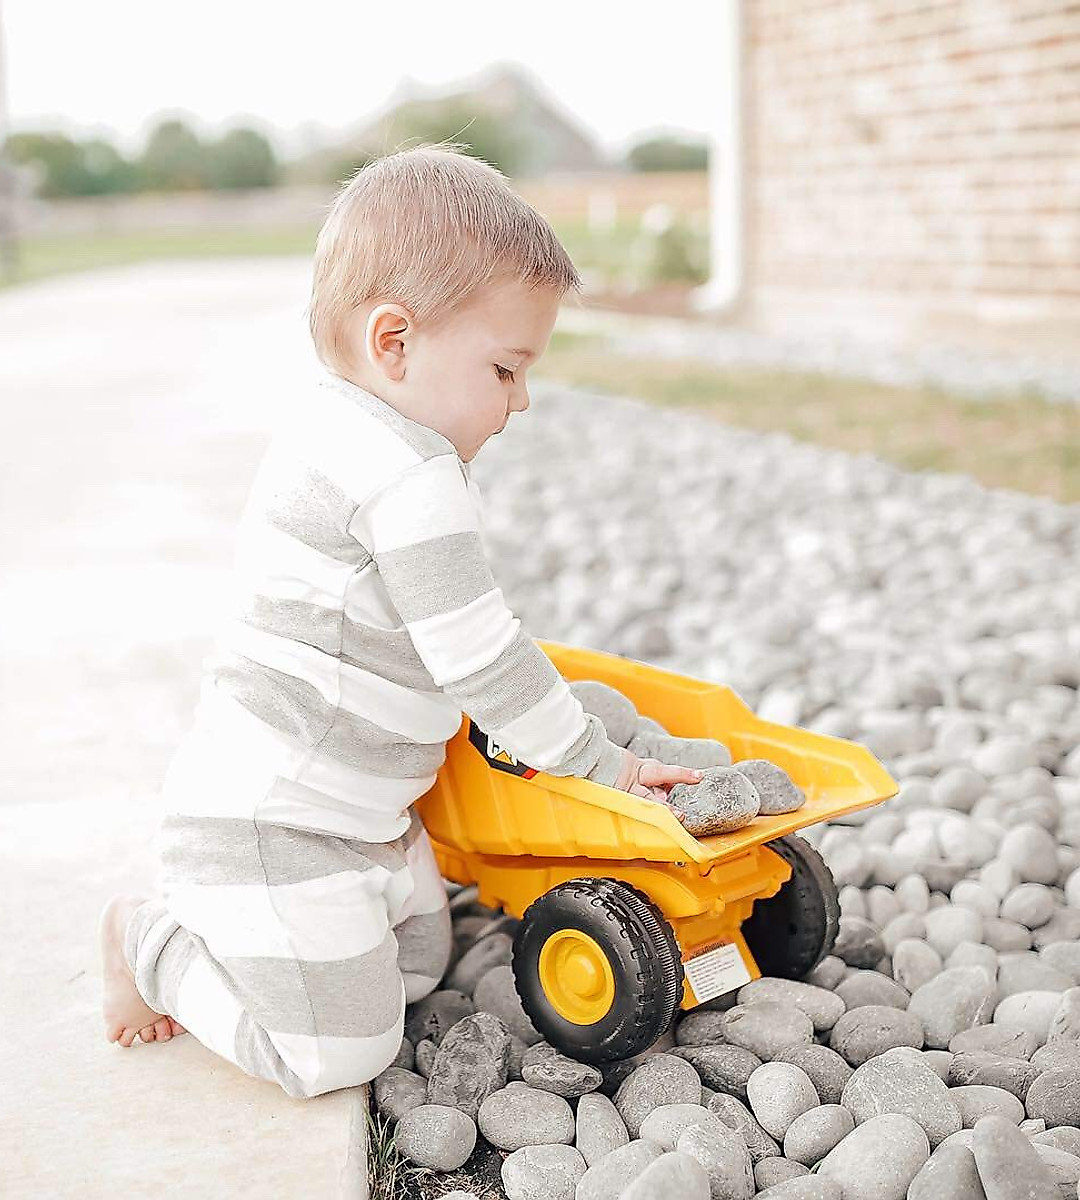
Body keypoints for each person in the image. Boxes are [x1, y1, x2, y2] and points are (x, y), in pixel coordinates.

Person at [98, 143, 702, 1098]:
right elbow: (481, 656)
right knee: (337, 1055)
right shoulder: (407, 475)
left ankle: (281, 932)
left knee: (420, 971)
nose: (522, 399)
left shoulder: (342, 427)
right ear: (395, 343)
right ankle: (152, 940)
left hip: (372, 819)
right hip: (277, 821)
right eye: (505, 369)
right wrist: (603, 764)